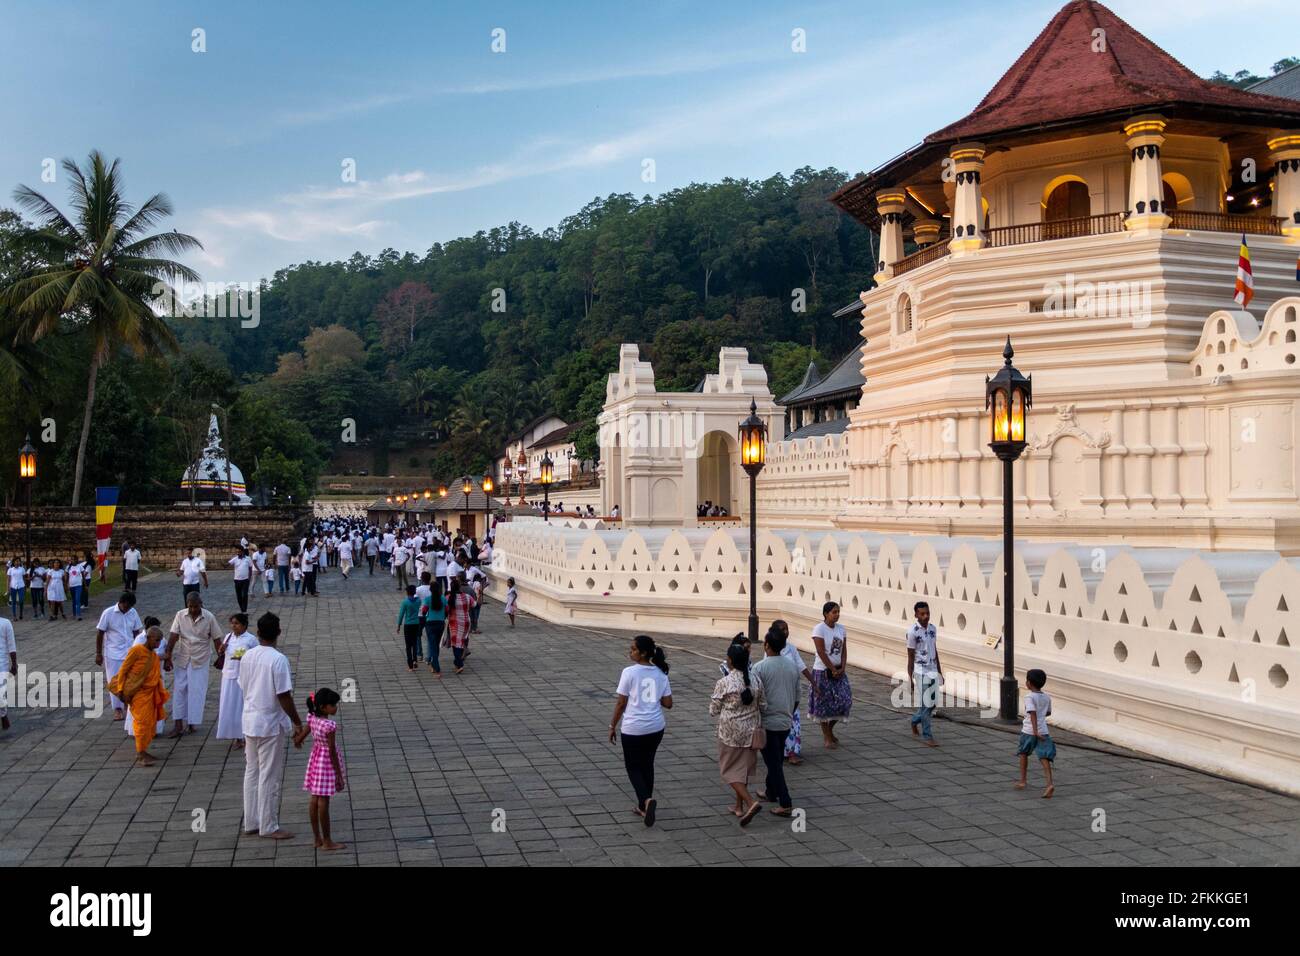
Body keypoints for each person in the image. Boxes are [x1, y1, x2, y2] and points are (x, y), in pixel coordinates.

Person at [238, 611, 307, 840]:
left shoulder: (248, 656)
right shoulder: (278, 659)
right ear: (278, 632)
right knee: (268, 774)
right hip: (268, 722)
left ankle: (251, 821)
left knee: (252, 771)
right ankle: (268, 824)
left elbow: (243, 685)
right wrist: (297, 722)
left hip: (250, 719)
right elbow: (283, 696)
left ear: (258, 633)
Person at [609, 635, 672, 827]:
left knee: (633, 766)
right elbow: (668, 703)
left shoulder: (629, 672)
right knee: (647, 764)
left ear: (643, 652)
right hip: (655, 726)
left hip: (634, 727)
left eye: (633, 649)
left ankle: (645, 800)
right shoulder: (661, 674)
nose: (630, 652)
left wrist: (612, 726)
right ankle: (643, 806)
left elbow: (621, 703)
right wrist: (654, 697)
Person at [710, 643, 766, 826]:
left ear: (730, 661)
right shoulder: (756, 679)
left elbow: (713, 709)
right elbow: (764, 705)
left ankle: (750, 802)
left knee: (728, 771)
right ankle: (738, 806)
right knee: (742, 770)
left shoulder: (724, 682)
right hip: (751, 731)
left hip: (730, 732)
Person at [753, 625, 800, 817]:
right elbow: (797, 696)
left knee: (774, 763)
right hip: (786, 719)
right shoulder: (792, 666)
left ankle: (785, 801)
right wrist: (789, 711)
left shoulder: (759, 667)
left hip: (768, 721)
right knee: (777, 758)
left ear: (766, 645)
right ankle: (770, 792)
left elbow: (755, 696)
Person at [164, 591, 224, 737]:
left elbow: (217, 639)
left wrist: (221, 657)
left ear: (201, 605)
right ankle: (178, 724)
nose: (192, 610)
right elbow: (173, 636)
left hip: (201, 657)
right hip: (183, 657)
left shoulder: (209, 617)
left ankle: (192, 722)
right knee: (179, 690)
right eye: (190, 607)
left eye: (195, 607)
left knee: (196, 691)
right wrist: (168, 656)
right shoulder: (180, 615)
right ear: (187, 605)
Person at [109, 625, 170, 765]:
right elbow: (124, 669)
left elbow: (155, 676)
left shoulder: (154, 656)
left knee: (149, 722)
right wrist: (120, 691)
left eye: (160, 641)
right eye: (156, 640)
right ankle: (140, 753)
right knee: (142, 722)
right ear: (148, 638)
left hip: (150, 693)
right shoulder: (137, 650)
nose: (158, 644)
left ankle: (143, 750)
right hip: (137, 694)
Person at [303, 688, 347, 850]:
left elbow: (306, 730)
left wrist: (298, 739)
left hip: (315, 759)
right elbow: (331, 750)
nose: (335, 707)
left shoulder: (313, 718)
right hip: (326, 763)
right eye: (333, 705)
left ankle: (317, 838)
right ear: (323, 707)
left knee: (314, 798)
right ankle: (327, 841)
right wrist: (338, 774)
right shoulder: (329, 725)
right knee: (323, 801)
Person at [767, 619, 811, 764]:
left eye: (787, 629)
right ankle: (780, 750)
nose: (785, 632)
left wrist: (814, 683)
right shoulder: (770, 650)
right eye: (782, 630)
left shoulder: (791, 649)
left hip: (791, 692)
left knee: (793, 722)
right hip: (776, 692)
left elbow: (801, 666)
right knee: (779, 723)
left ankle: (792, 752)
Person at [95, 591, 145, 722]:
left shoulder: (133, 612)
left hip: (130, 652)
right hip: (113, 653)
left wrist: (139, 650)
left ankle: (128, 705)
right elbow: (100, 633)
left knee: (130, 680)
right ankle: (117, 709)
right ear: (121, 603)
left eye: (130, 607)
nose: (128, 609)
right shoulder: (108, 613)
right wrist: (98, 654)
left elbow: (136, 632)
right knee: (114, 681)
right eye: (126, 607)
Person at [809, 601, 852, 749]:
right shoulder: (819, 629)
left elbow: (844, 650)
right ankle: (827, 737)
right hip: (822, 672)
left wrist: (842, 667)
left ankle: (830, 730)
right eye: (834, 612)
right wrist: (831, 668)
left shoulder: (841, 629)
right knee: (824, 705)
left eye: (838, 612)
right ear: (826, 614)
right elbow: (821, 652)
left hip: (839, 671)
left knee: (845, 702)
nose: (837, 615)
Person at [216, 613, 258, 749]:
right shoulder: (229, 637)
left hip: (243, 676)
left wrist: (244, 659)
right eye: (232, 623)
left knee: (242, 706)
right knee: (229, 706)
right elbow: (222, 653)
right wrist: (221, 650)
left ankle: (245, 735)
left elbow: (257, 657)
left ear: (244, 625)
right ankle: (236, 736)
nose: (234, 626)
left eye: (237, 623)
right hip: (228, 676)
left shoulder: (251, 640)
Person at [906, 600, 943, 747]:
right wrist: (910, 678)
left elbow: (935, 649)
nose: (926, 616)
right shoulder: (912, 632)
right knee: (927, 703)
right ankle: (927, 735)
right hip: (920, 671)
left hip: (933, 669)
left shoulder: (933, 629)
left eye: (927, 613)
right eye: (922, 614)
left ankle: (915, 720)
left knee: (933, 704)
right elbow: (910, 656)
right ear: (916, 615)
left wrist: (940, 671)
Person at [1016, 669, 1056, 798]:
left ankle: (1023, 780)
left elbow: (1032, 713)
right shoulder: (1046, 697)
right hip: (1043, 730)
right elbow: (1048, 713)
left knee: (1023, 753)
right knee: (1044, 757)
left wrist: (1034, 731)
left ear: (1029, 683)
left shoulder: (1029, 697)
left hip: (1029, 731)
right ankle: (1049, 784)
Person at [444, 577, 474, 673]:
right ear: (460, 587)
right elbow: (475, 605)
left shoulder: (448, 598)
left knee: (455, 643)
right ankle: (457, 662)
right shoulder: (467, 596)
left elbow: (445, 610)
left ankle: (459, 664)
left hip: (454, 623)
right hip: (466, 622)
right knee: (461, 642)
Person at [421, 578, 446, 676]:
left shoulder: (427, 599)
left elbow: (424, 611)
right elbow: (447, 610)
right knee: (436, 644)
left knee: (432, 645)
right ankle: (434, 663)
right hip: (440, 623)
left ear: (430, 590)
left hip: (430, 623)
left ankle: (436, 667)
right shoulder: (443, 599)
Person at [397, 585, 423, 671]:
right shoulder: (418, 601)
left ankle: (410, 665)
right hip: (416, 623)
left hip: (408, 625)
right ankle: (415, 659)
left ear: (407, 592)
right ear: (415, 592)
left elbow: (401, 614)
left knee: (408, 645)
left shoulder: (405, 602)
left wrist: (398, 625)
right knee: (415, 643)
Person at [0, 614, 15, 731]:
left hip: (2, 665)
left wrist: (14, 664)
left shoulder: (5, 623)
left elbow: (11, 645)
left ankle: (3, 714)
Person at [228, 547, 254, 614]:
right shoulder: (235, 559)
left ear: (242, 552)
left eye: (239, 552)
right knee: (239, 595)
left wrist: (249, 577)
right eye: (237, 552)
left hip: (245, 580)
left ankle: (244, 610)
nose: (238, 553)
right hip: (237, 580)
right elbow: (229, 563)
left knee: (245, 595)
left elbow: (250, 568)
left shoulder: (248, 558)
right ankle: (242, 609)